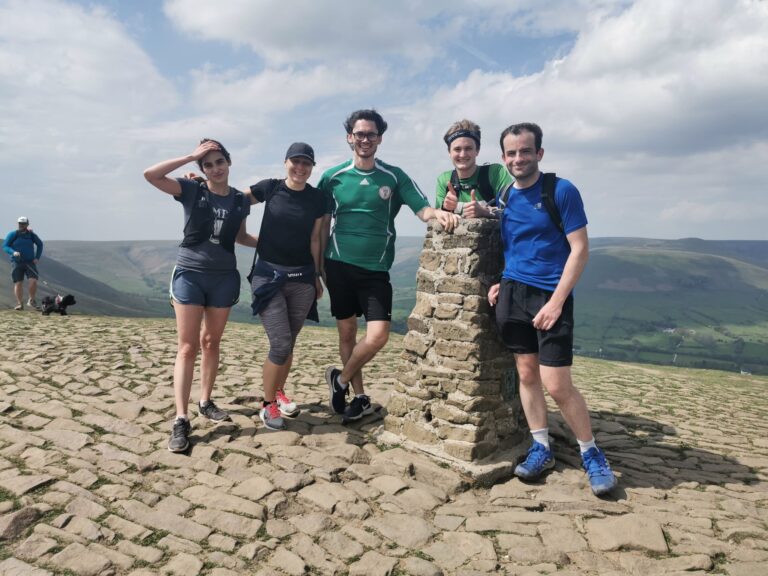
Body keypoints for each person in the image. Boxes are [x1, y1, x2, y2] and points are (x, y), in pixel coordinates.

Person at [488, 122, 617, 496]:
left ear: (539, 153)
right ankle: (541, 447)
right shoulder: (506, 195)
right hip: (512, 294)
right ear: (503, 158)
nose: (518, 158)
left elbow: (580, 249)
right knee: (526, 373)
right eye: (511, 153)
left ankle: (591, 453)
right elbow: (512, 245)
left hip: (550, 296)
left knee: (557, 384)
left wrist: (557, 302)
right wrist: (503, 280)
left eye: (525, 151)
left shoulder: (561, 191)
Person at [320, 109, 459, 423]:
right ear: (349, 138)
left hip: (376, 269)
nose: (365, 139)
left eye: (371, 134)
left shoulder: (393, 176)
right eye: (359, 134)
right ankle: (359, 398)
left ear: (379, 138)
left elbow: (421, 209)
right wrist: (318, 268)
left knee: (378, 335)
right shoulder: (333, 177)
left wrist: (440, 214)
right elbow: (319, 224)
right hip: (338, 264)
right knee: (347, 334)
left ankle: (339, 381)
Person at [143, 139, 255, 453]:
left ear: (229, 163)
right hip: (190, 275)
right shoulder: (192, 190)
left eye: (219, 161)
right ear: (202, 169)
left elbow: (241, 236)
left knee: (211, 342)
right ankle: (181, 418)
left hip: (223, 277)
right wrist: (191, 156)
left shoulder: (239, 200)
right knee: (188, 346)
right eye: (208, 164)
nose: (215, 168)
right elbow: (151, 175)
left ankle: (205, 401)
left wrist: (276, 245)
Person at [248, 143, 325, 431]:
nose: (300, 167)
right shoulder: (270, 188)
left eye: (306, 163)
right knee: (280, 342)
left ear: (312, 167)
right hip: (268, 277)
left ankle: (279, 392)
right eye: (296, 161)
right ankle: (267, 405)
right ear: (285, 162)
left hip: (302, 279)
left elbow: (316, 239)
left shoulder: (317, 198)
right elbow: (235, 201)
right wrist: (203, 187)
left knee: (289, 342)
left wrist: (317, 275)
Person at [435, 119, 513, 218]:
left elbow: (514, 209)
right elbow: (437, 215)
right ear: (449, 152)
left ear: (477, 150)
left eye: (468, 148)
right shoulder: (444, 180)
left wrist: (484, 212)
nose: (462, 155)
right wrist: (445, 208)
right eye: (457, 149)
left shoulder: (495, 173)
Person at [3, 217, 43, 310]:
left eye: (23, 224)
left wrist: (37, 257)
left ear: (27, 224)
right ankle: (20, 304)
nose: (21, 225)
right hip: (17, 262)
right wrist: (13, 252)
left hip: (30, 262)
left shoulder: (31, 235)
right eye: (20, 223)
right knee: (18, 283)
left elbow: (40, 244)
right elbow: (5, 246)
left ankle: (31, 300)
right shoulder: (13, 234)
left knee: (33, 281)